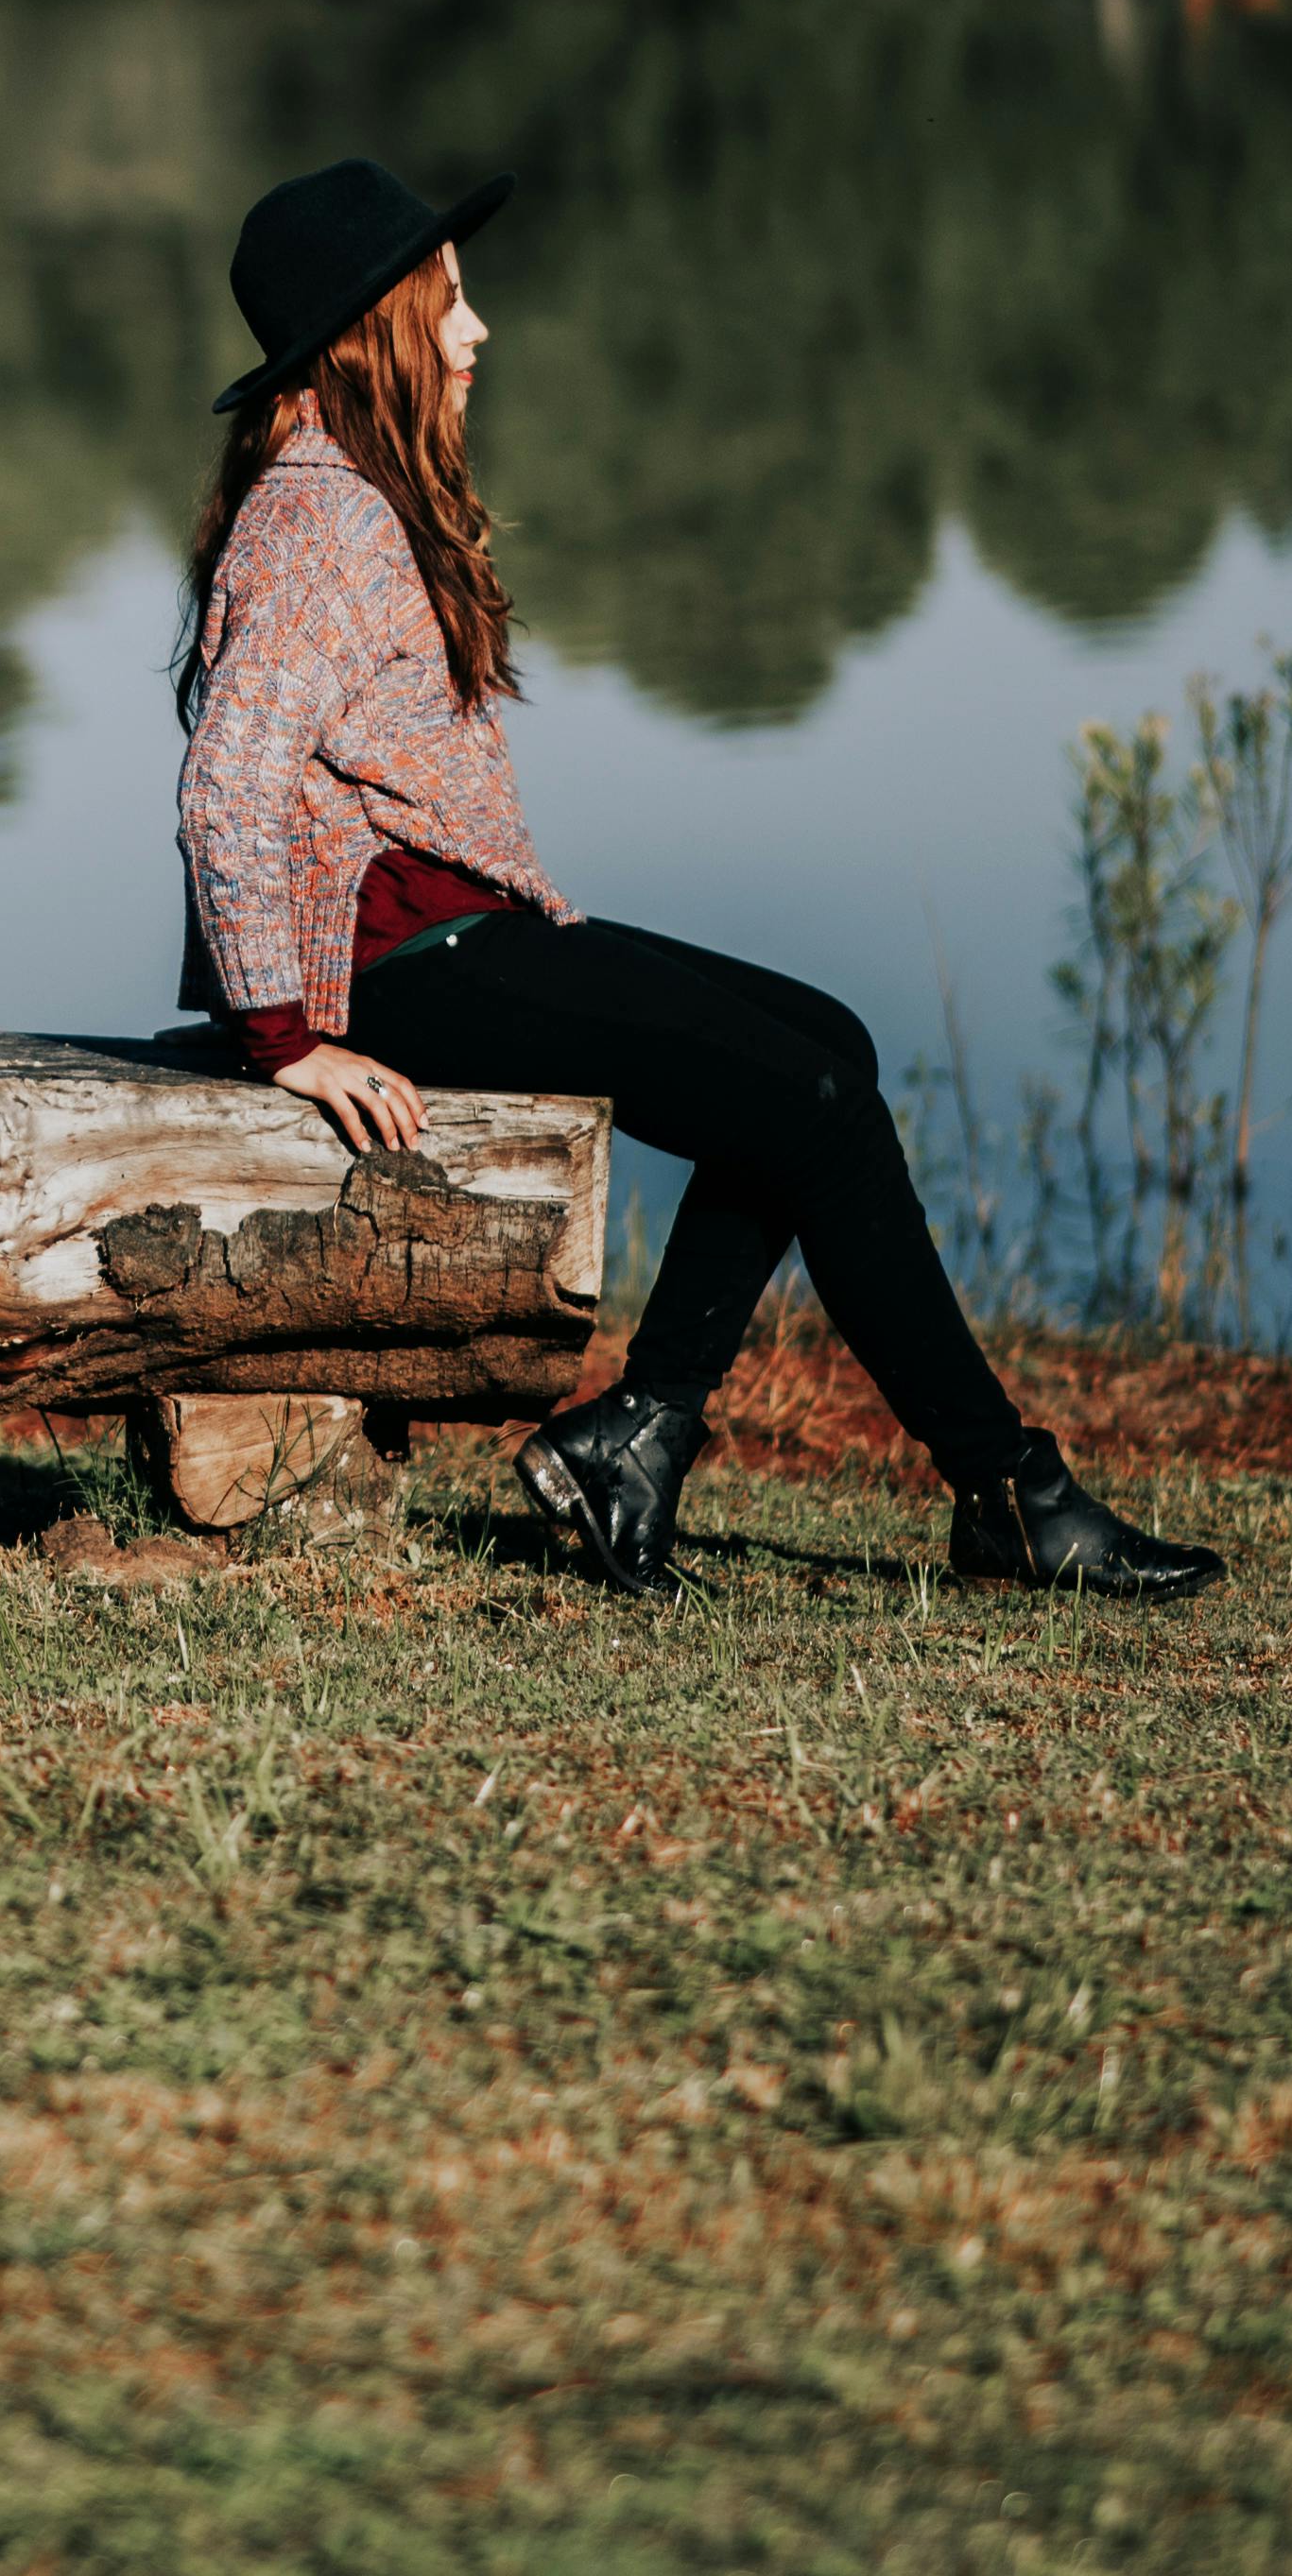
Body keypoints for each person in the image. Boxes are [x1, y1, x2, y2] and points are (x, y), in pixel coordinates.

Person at [175, 158, 1220, 1604]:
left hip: (455, 939)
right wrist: (286, 1040)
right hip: (402, 974)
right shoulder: (322, 517)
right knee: (812, 1102)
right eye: (449, 302)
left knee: (825, 1051)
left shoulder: (351, 493)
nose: (477, 331)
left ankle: (652, 1433)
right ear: (372, 332)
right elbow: (226, 778)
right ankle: (1009, 1495)